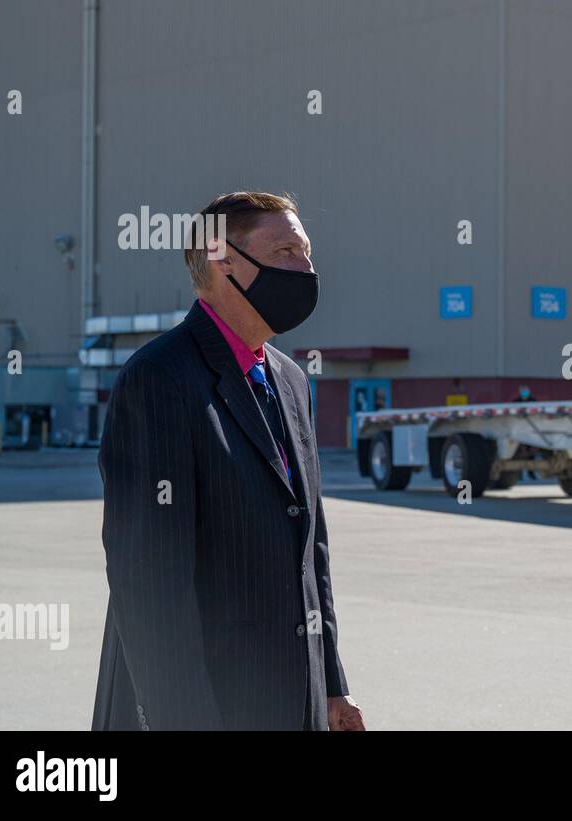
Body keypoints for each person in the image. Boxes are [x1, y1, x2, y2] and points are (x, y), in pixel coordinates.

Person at [92, 191, 363, 731]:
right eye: (285, 251)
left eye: (306, 252)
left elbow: (312, 553)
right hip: (209, 708)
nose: (305, 268)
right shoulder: (160, 378)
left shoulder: (289, 379)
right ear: (222, 262)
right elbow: (148, 581)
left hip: (295, 701)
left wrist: (330, 685)